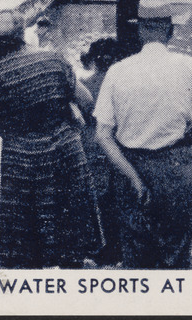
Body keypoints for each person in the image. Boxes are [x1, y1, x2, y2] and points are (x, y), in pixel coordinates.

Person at [94, 0, 192, 268]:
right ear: (170, 30)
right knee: (175, 249)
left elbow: (103, 135)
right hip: (176, 166)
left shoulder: (117, 72)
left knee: (135, 247)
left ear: (140, 30)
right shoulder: (187, 65)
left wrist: (133, 178)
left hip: (130, 163)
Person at [0, 11, 102, 267]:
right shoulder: (53, 60)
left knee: (24, 234)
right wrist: (65, 104)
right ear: (21, 34)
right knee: (69, 223)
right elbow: (86, 102)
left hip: (19, 155)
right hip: (64, 150)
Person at [79, 38, 126, 265]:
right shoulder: (123, 85)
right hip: (119, 145)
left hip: (90, 145)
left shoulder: (84, 85)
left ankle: (98, 246)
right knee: (120, 197)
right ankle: (119, 248)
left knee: (95, 199)